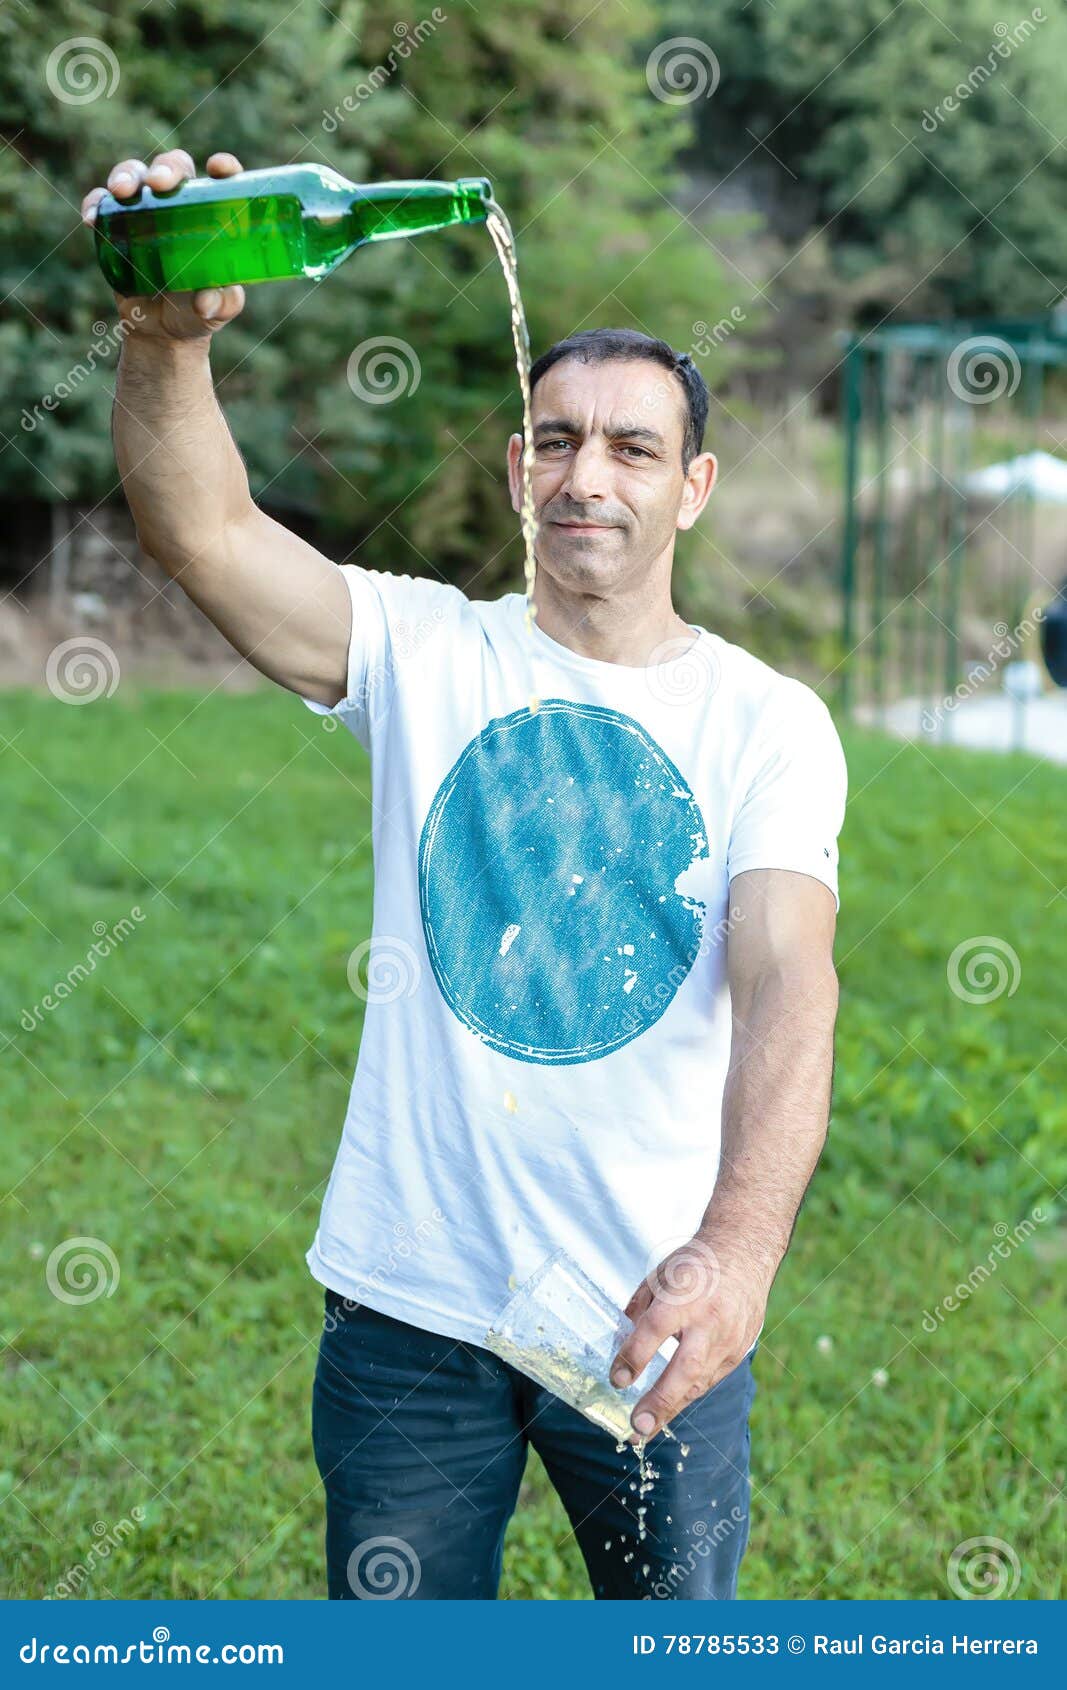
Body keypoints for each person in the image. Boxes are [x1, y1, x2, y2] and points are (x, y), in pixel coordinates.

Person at [83, 148, 847, 1602]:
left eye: (631, 448)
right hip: (411, 1304)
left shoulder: (768, 724)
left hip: (650, 1306)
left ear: (692, 488)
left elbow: (785, 976)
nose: (585, 475)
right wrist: (164, 336)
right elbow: (203, 532)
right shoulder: (429, 650)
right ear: (517, 468)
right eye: (554, 440)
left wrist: (737, 1249)